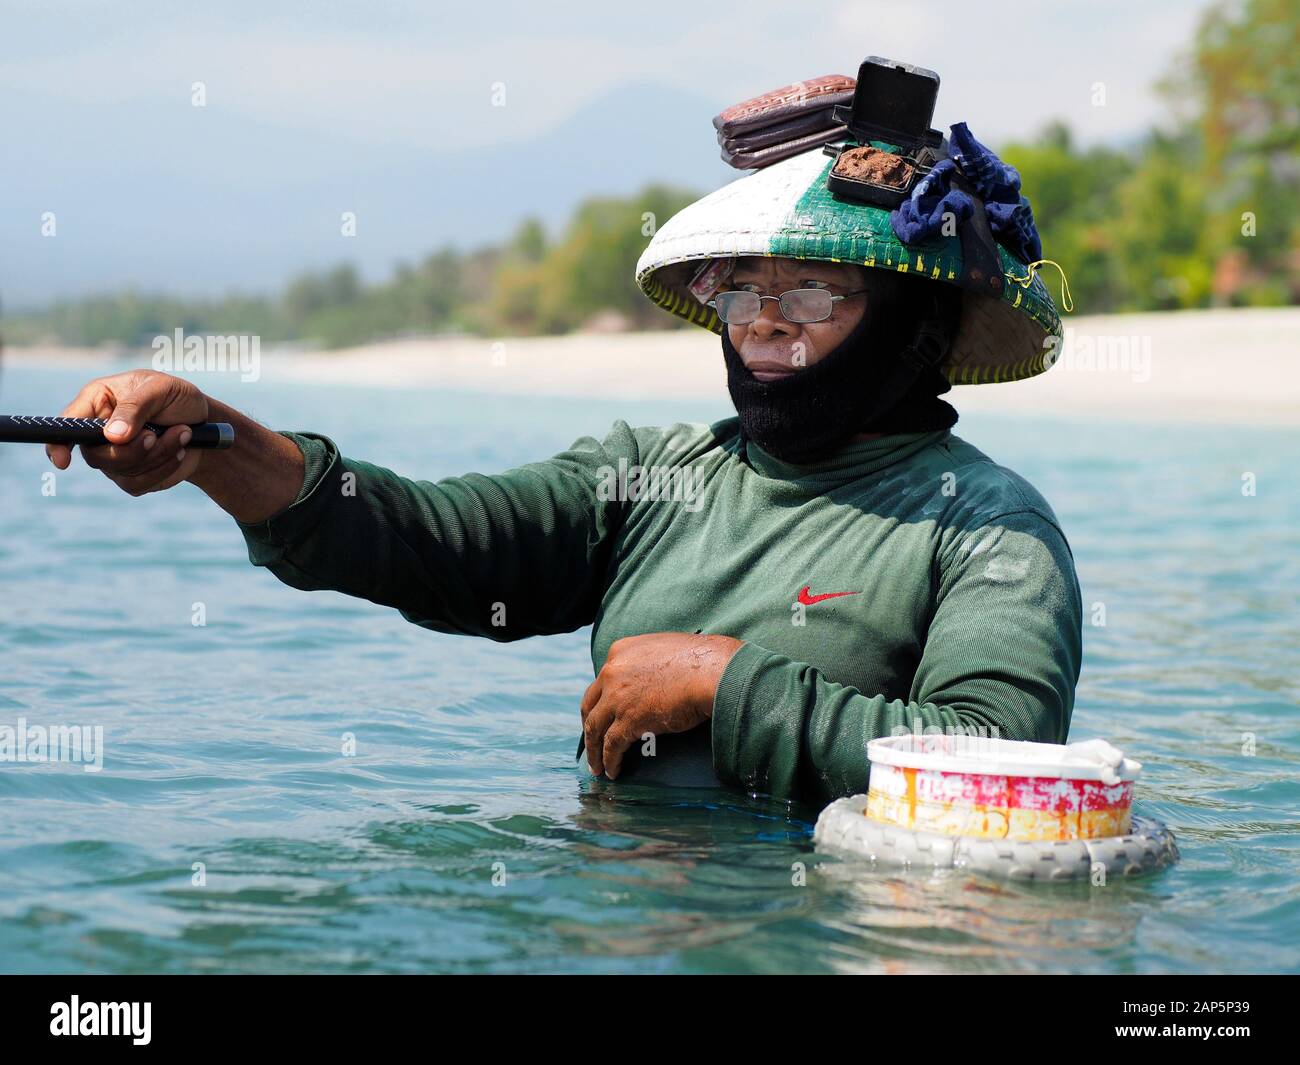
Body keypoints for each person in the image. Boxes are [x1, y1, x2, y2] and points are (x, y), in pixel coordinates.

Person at [47, 140, 1082, 805]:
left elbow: (1002, 766)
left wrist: (725, 683)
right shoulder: (654, 474)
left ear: (910, 329)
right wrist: (210, 436)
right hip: (618, 913)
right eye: (740, 291)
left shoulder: (988, 528)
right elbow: (425, 541)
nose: (763, 322)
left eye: (813, 294)